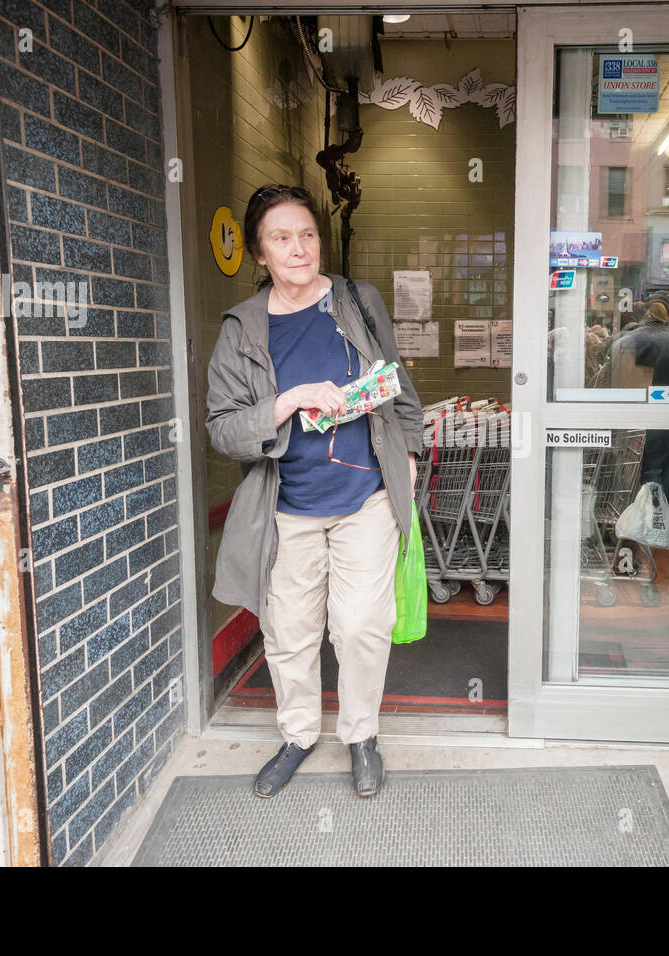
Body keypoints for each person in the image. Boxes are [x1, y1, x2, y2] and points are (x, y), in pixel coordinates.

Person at [204, 184, 424, 800]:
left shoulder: (359, 300)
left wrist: (406, 453)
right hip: (286, 508)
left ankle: (361, 734)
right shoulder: (241, 330)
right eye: (281, 238)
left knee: (360, 626)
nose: (298, 249)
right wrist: (288, 401)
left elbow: (397, 387)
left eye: (306, 234)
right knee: (290, 631)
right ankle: (299, 735)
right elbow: (223, 429)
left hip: (366, 499)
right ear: (259, 252)